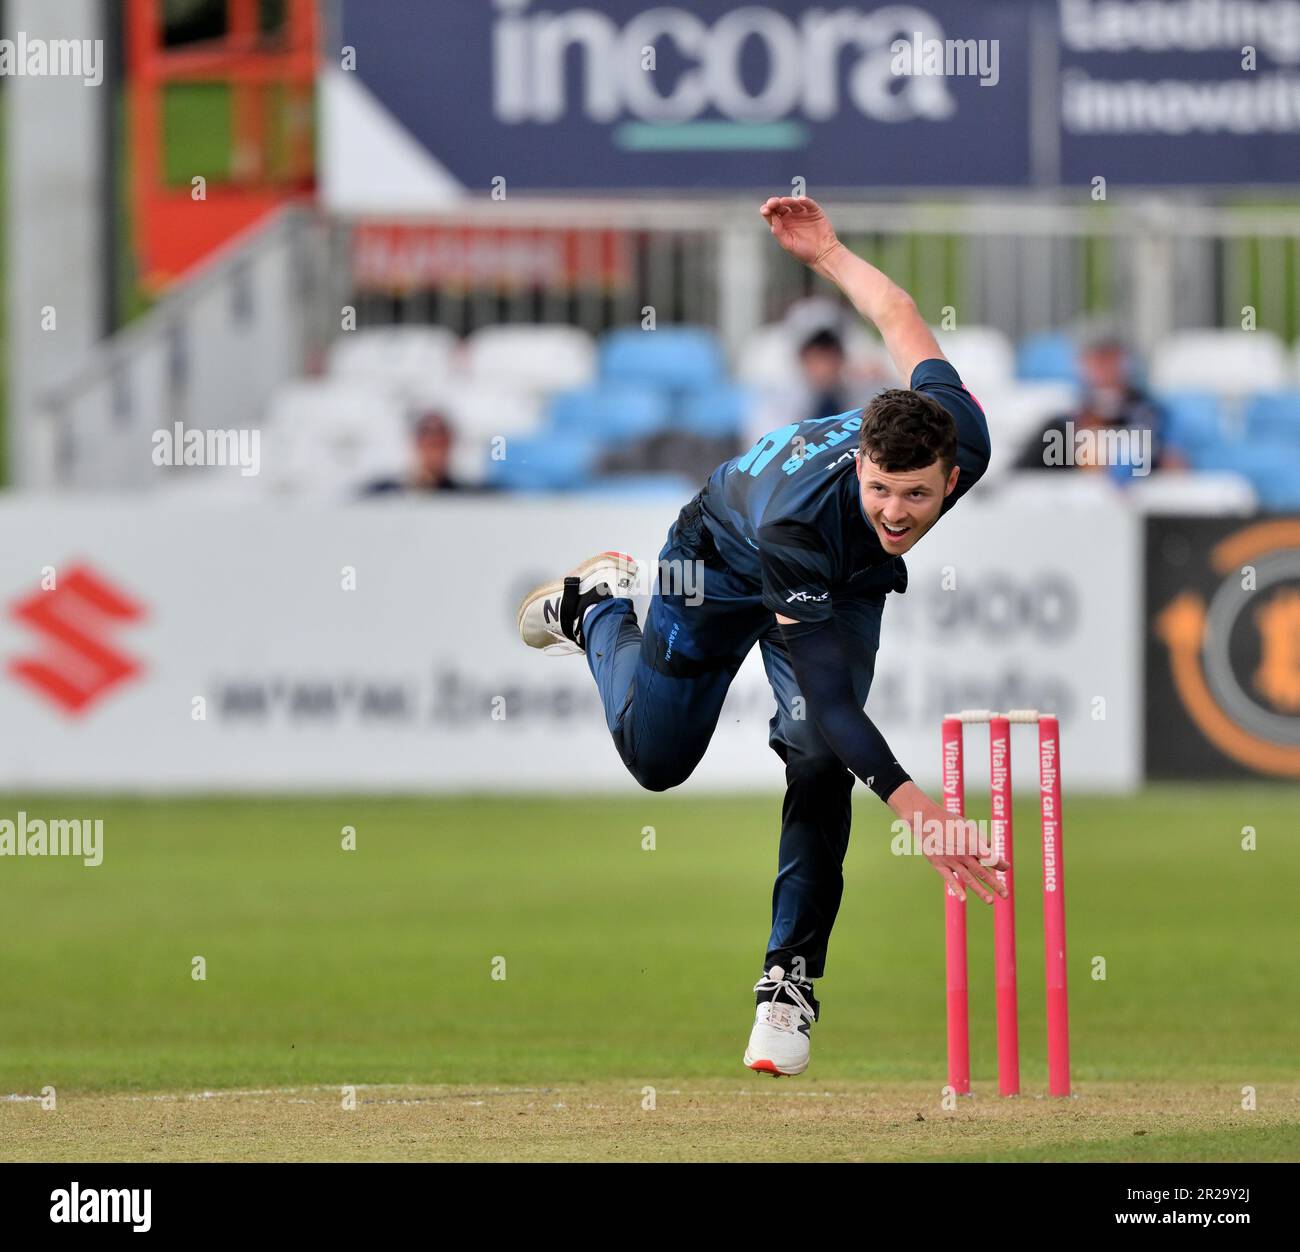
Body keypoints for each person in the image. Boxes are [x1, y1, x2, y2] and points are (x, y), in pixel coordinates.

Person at [516, 197, 1006, 1078]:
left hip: (835, 581)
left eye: (917, 497)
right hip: (716, 557)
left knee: (818, 752)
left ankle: (789, 979)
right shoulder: (803, 520)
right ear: (861, 461)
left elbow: (895, 315)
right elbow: (823, 686)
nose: (897, 514)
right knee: (657, 761)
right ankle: (594, 609)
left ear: (953, 473)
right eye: (881, 490)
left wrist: (829, 254)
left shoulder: (957, 427)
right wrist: (920, 813)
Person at [1014, 335, 1183, 476]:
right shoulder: (1063, 424)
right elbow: (1021, 472)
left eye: (1110, 359)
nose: (1104, 369)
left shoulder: (1152, 416)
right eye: (1096, 360)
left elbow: (1173, 465)